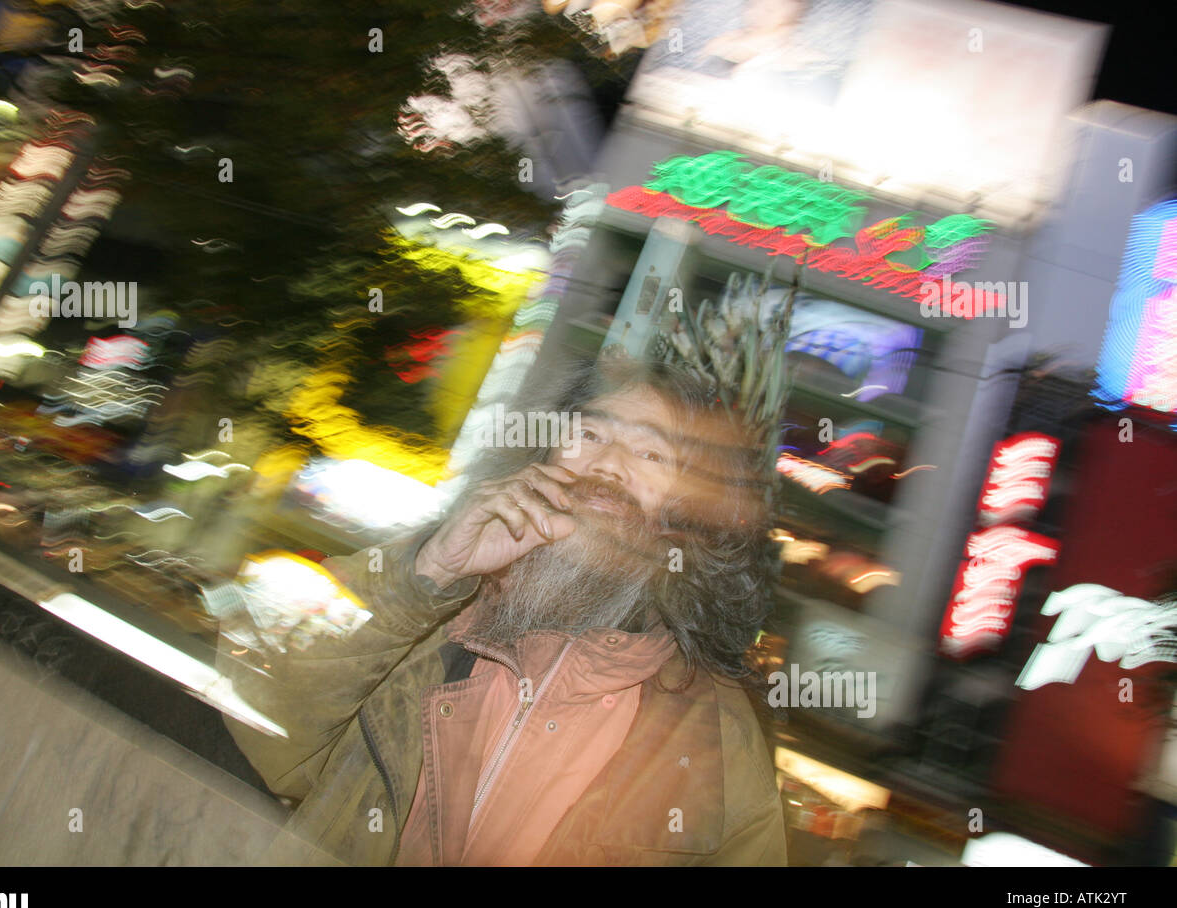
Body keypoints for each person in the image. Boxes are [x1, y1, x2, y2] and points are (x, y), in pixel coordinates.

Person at [217, 352, 788, 865]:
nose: (607, 466)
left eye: (651, 452)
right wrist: (427, 574)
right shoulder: (427, 607)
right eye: (590, 432)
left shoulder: (718, 739)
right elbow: (264, 725)